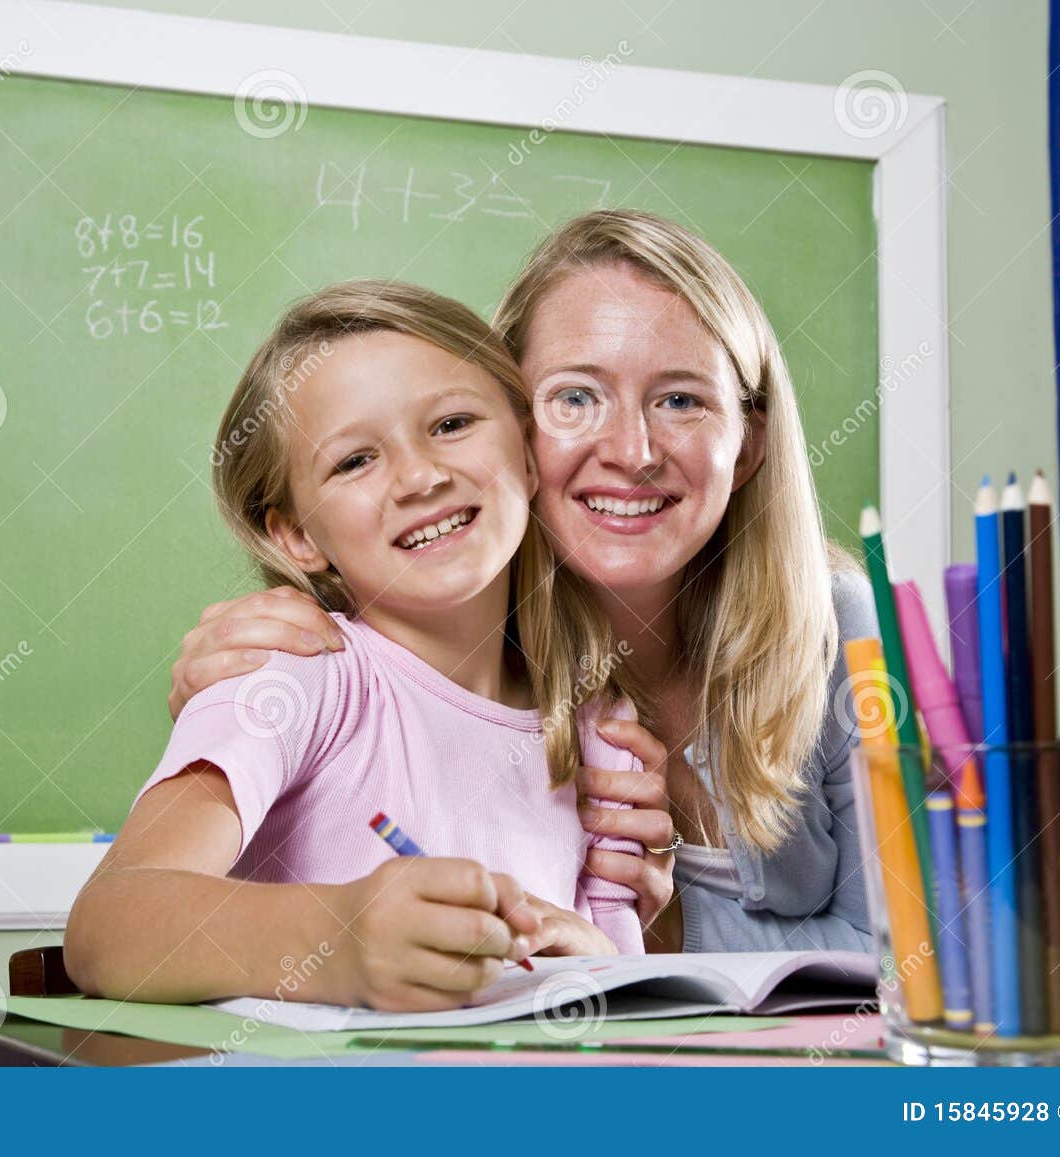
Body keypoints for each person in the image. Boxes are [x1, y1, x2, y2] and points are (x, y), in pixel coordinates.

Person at [166, 210, 879, 954]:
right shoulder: (455, 637)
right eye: (574, 398)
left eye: (681, 400)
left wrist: (662, 933)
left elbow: (907, 949)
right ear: (514, 426)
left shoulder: (829, 619)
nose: (632, 451)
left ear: (748, 445)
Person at [66, 280, 648, 1011]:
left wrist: (594, 960)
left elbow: (624, 1012)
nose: (419, 476)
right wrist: (340, 937)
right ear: (297, 536)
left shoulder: (599, 732)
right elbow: (107, 926)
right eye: (353, 461)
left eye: (452, 423)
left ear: (528, 455)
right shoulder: (295, 673)